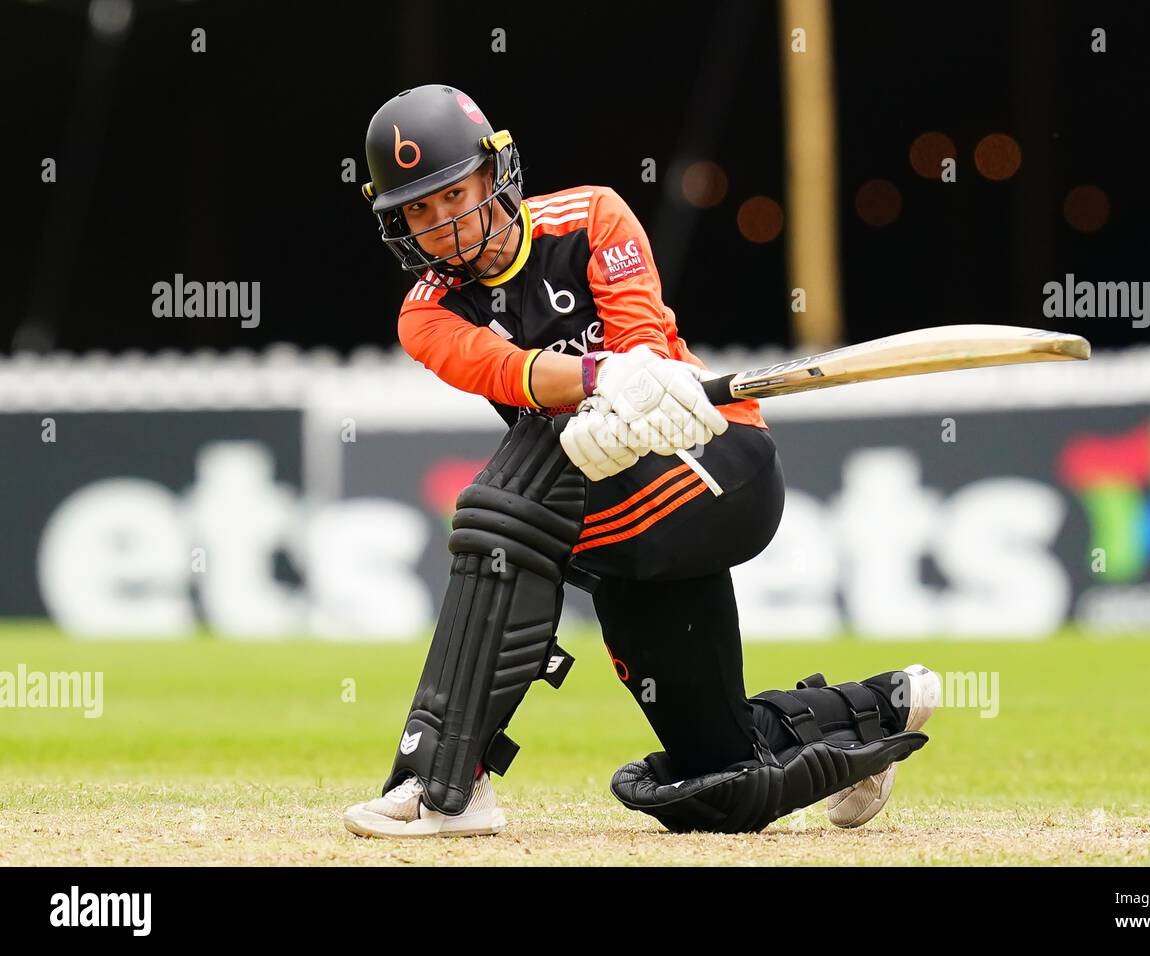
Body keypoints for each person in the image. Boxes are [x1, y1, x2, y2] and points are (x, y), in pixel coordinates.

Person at [343, 84, 938, 838]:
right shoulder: (425, 313)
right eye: (416, 211)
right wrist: (598, 382)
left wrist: (633, 379)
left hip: (714, 465)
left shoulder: (591, 216)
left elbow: (643, 348)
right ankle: (865, 720)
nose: (439, 224)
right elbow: (506, 372)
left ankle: (447, 782)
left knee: (503, 506)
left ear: (494, 174)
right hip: (614, 527)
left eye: (451, 194)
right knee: (719, 775)